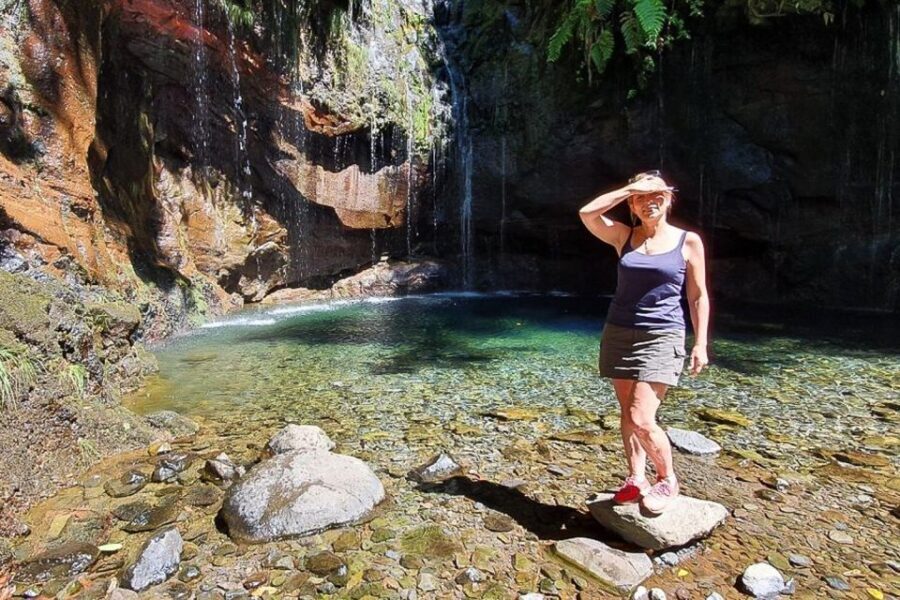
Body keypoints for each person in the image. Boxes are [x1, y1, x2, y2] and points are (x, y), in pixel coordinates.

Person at [578, 170, 710, 514]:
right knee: (626, 414)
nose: (649, 203)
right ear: (632, 204)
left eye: (657, 196)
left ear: (668, 200)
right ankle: (636, 477)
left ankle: (668, 479)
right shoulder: (625, 237)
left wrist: (701, 344)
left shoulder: (688, 241)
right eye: (641, 198)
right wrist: (629, 189)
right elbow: (587, 214)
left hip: (662, 334)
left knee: (641, 415)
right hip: (619, 331)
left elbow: (697, 296)